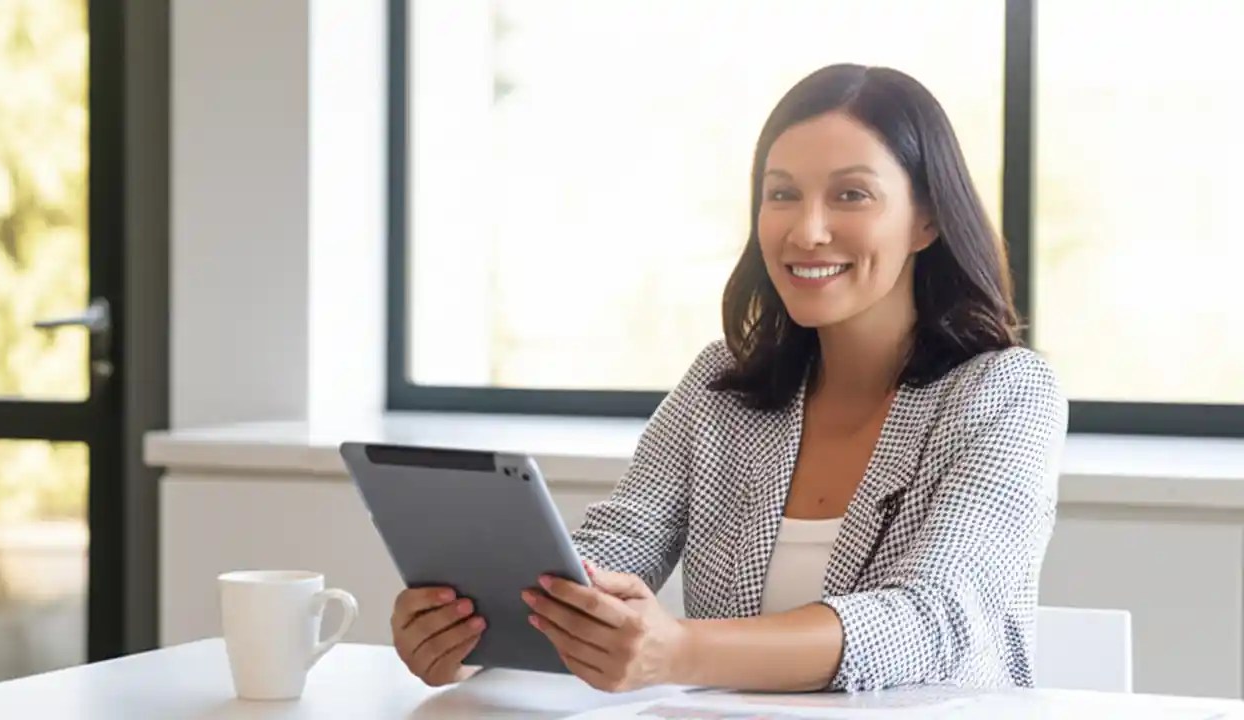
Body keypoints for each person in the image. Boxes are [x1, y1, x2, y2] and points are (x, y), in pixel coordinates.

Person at [388, 63, 1068, 694]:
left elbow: (933, 619)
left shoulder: (1005, 394)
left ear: (926, 219)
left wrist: (679, 649)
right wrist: (492, 623)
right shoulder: (721, 387)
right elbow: (615, 546)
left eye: (851, 195)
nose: (807, 230)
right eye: (782, 195)